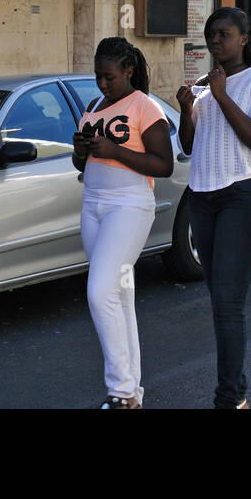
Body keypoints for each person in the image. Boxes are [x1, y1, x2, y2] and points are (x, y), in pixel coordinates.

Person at [176, 7, 251, 409]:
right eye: (210, 34)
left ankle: (229, 398)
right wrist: (188, 108)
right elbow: (187, 145)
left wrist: (221, 96)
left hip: (244, 193)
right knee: (221, 300)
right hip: (202, 195)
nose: (215, 41)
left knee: (228, 299)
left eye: (224, 34)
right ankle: (236, 389)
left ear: (244, 37)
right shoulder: (204, 85)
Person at [72, 37, 173, 410]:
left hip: (129, 206)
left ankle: (120, 390)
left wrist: (113, 150)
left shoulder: (144, 106)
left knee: (99, 292)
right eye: (98, 76)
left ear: (128, 71)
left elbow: (164, 164)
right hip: (93, 206)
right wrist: (81, 152)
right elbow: (81, 166)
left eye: (109, 76)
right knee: (120, 296)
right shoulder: (94, 105)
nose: (102, 84)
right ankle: (132, 394)